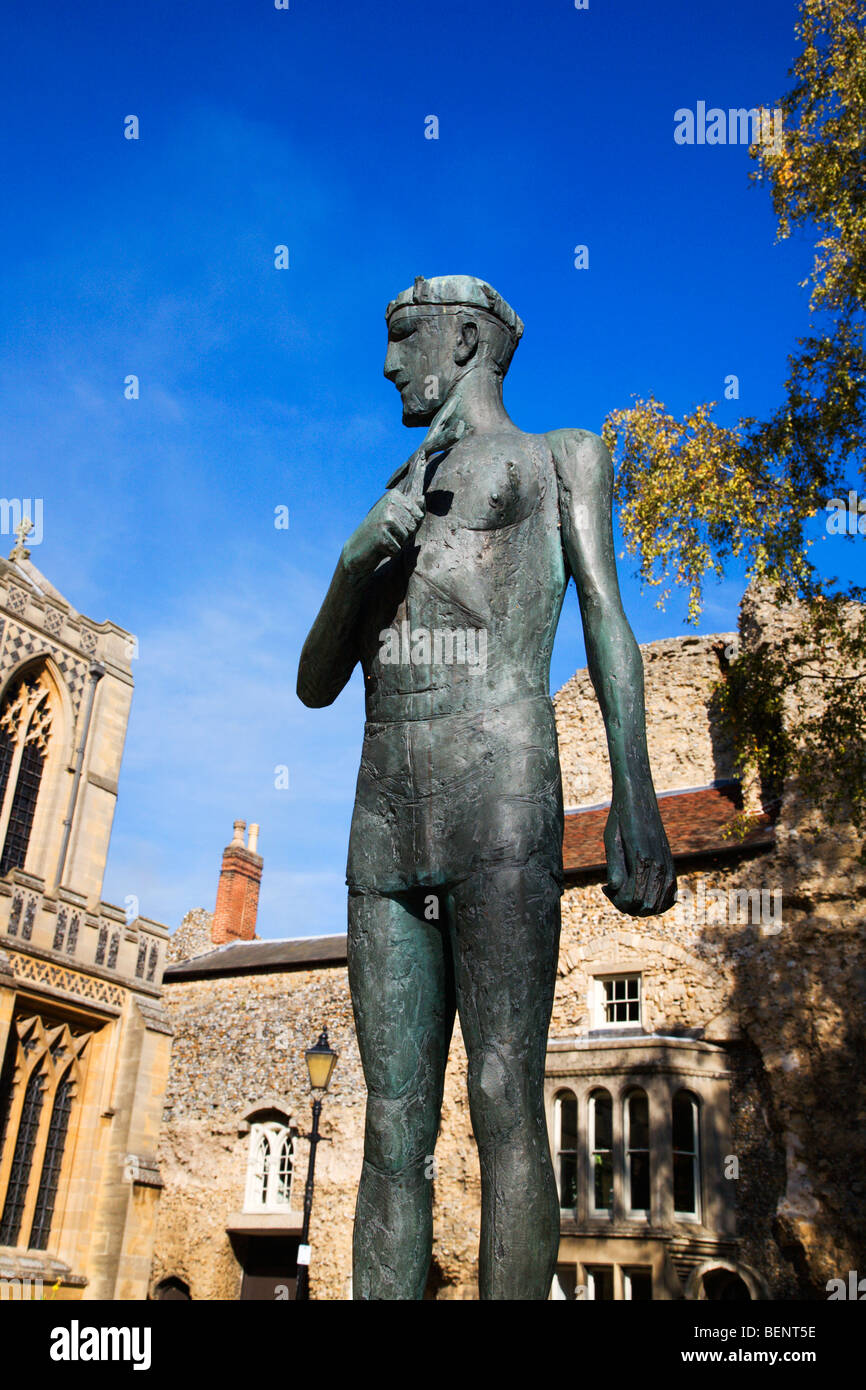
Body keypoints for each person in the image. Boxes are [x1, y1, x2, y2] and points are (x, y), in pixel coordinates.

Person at [297, 275, 676, 1299]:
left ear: (460, 339)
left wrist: (633, 792)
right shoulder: (392, 489)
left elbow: (603, 616)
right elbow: (313, 683)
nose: (387, 366)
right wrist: (353, 558)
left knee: (504, 1088)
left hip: (499, 786)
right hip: (383, 801)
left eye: (401, 340)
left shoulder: (560, 458)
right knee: (391, 1115)